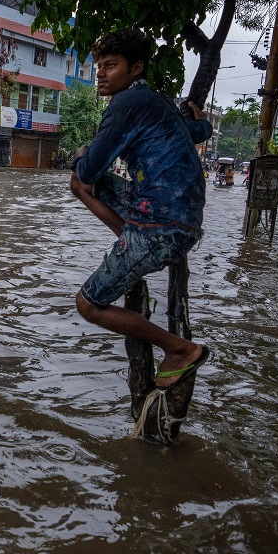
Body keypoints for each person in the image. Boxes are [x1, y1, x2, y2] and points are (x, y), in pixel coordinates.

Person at [70, 28, 211, 390]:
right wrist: (202, 121)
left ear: (135, 69)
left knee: (88, 304)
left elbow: (89, 170)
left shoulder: (124, 105)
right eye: (99, 66)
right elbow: (198, 131)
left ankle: (179, 349)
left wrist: (80, 156)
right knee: (94, 184)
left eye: (111, 66)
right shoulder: (158, 102)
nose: (101, 74)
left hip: (161, 225)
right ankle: (129, 241)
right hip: (181, 216)